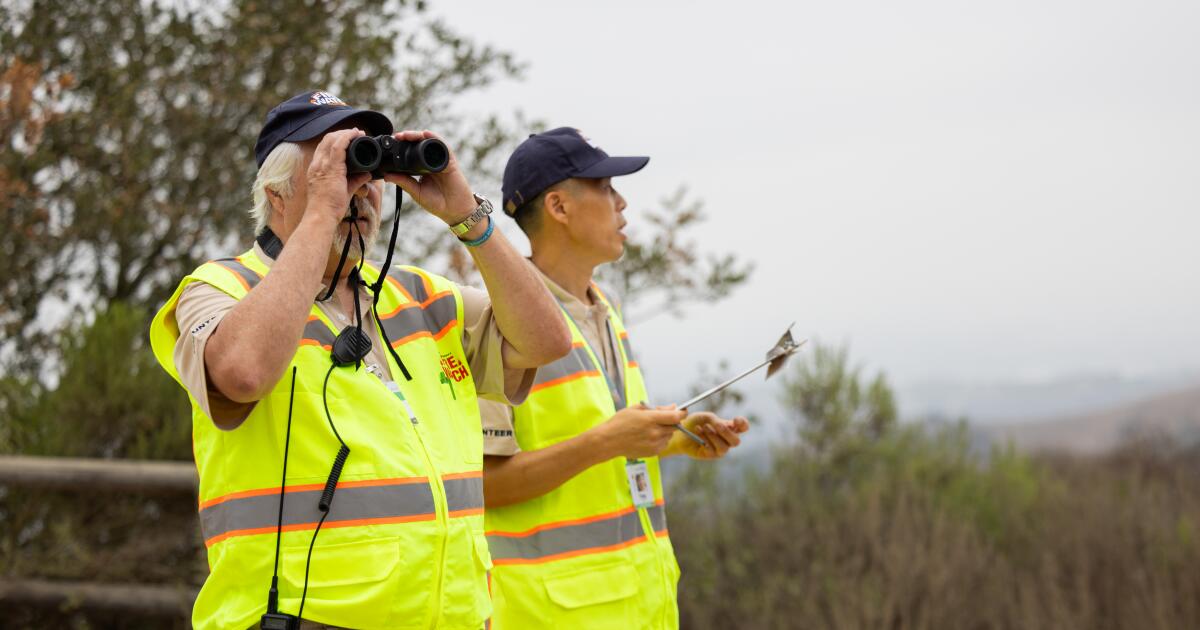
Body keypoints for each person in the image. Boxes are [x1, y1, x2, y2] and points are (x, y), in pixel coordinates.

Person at [148, 91, 570, 630]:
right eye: (336, 166)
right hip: (299, 618)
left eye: (367, 170)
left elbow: (548, 340)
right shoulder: (220, 289)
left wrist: (467, 215)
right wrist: (323, 211)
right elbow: (244, 372)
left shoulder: (420, 295)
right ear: (277, 192)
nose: (360, 190)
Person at [480, 127, 751, 629]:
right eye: (605, 187)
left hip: (641, 606)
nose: (622, 203)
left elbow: (598, 436)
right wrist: (606, 443)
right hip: (551, 616)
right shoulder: (495, 320)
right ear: (559, 207)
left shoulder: (605, 307)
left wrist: (674, 437)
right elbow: (482, 485)